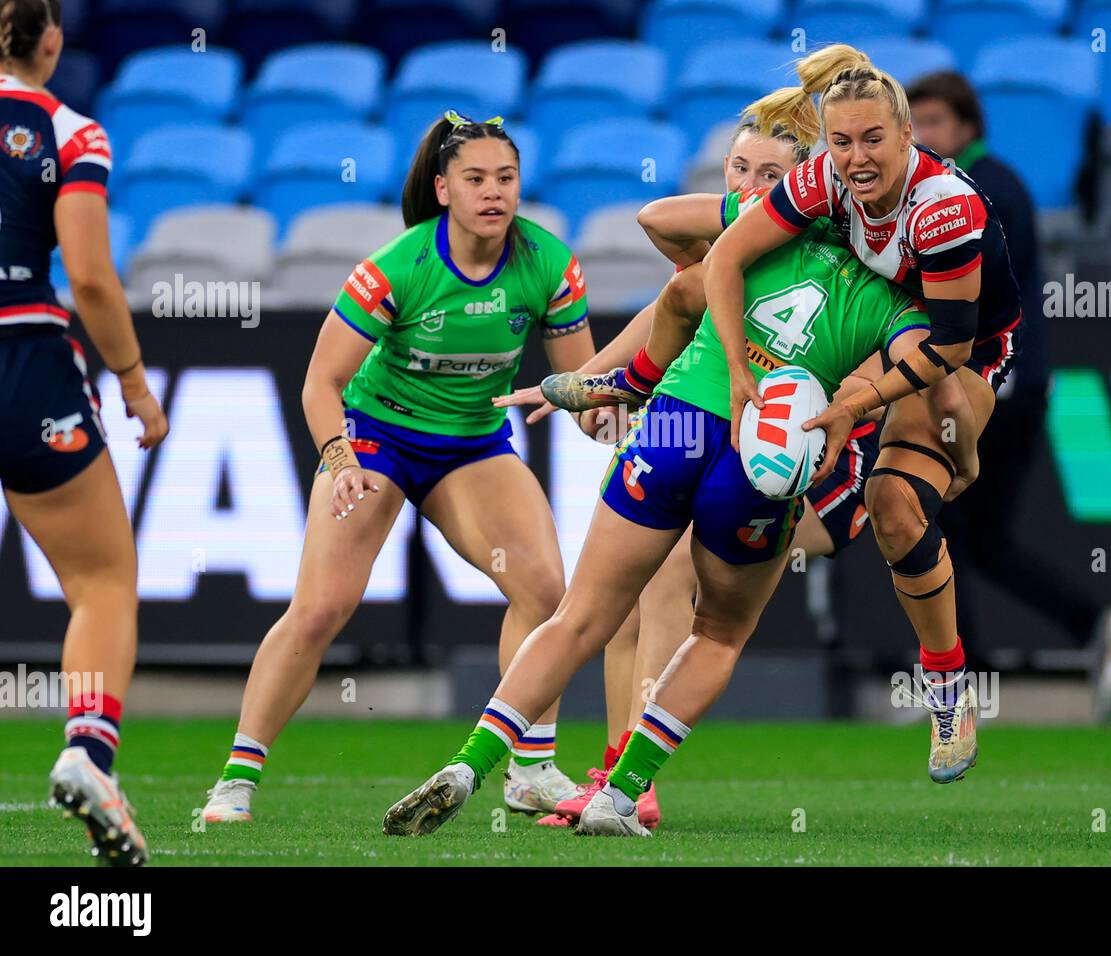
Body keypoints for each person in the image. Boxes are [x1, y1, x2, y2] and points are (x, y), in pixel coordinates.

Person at [381, 216, 930, 838]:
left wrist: (622, 383)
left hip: (676, 423)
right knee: (719, 634)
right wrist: (866, 402)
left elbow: (669, 262)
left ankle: (470, 764)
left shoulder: (763, 232)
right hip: (766, 455)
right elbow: (933, 366)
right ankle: (624, 792)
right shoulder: (901, 302)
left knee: (580, 616)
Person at [498, 124, 905, 828]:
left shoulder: (836, 260)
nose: (749, 186)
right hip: (736, 444)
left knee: (664, 576)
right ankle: (615, 773)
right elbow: (676, 307)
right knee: (623, 597)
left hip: (823, 467)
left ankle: (633, 785)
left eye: (769, 173)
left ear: (804, 185)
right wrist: (586, 383)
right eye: (738, 168)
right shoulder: (738, 252)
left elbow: (885, 371)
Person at [199, 112, 596, 824]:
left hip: (471, 443)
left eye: (506, 178)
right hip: (375, 439)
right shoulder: (398, 266)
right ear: (443, 189)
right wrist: (339, 458)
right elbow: (319, 383)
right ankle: (236, 779)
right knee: (322, 608)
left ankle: (531, 770)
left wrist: (612, 409)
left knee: (544, 589)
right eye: (475, 179)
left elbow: (583, 390)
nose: (494, 193)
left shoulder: (550, 264)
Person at [705, 43, 1029, 783]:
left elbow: (947, 346)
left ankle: (947, 688)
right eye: (842, 140)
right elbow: (725, 257)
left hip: (966, 342)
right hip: (879, 322)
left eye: (873, 139)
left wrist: (853, 400)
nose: (856, 158)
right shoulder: (821, 178)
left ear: (908, 135)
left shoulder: (944, 208)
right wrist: (734, 370)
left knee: (897, 507)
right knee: (695, 245)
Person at [907, 71, 1111, 721]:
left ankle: (961, 685)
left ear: (966, 127)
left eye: (934, 121)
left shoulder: (970, 190)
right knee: (977, 538)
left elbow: (970, 293)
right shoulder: (994, 184)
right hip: (1018, 381)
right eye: (916, 122)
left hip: (993, 386)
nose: (923, 134)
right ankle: (1094, 624)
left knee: (932, 523)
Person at [1, 0, 169, 866]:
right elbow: (93, 276)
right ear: (51, 41)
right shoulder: (69, 131)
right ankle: (88, 755)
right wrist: (134, 383)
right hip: (26, 357)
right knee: (101, 580)